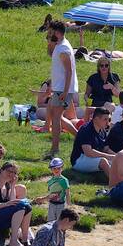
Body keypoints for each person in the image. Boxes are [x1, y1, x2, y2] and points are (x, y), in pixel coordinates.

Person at [46, 20, 78, 158]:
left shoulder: (64, 49)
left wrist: (65, 92)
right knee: (55, 116)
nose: (49, 33)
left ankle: (55, 149)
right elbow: (51, 56)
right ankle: (79, 136)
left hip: (63, 89)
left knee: (57, 117)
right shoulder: (59, 45)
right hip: (59, 87)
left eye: (51, 31)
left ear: (57, 33)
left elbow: (69, 71)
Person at [70, 109, 114, 176]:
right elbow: (88, 152)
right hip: (79, 160)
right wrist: (109, 156)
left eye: (109, 120)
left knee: (119, 160)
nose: (108, 122)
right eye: (105, 119)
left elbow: (105, 149)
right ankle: (116, 184)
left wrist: (117, 156)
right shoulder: (86, 130)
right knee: (103, 161)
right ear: (96, 119)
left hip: (93, 157)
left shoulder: (102, 130)